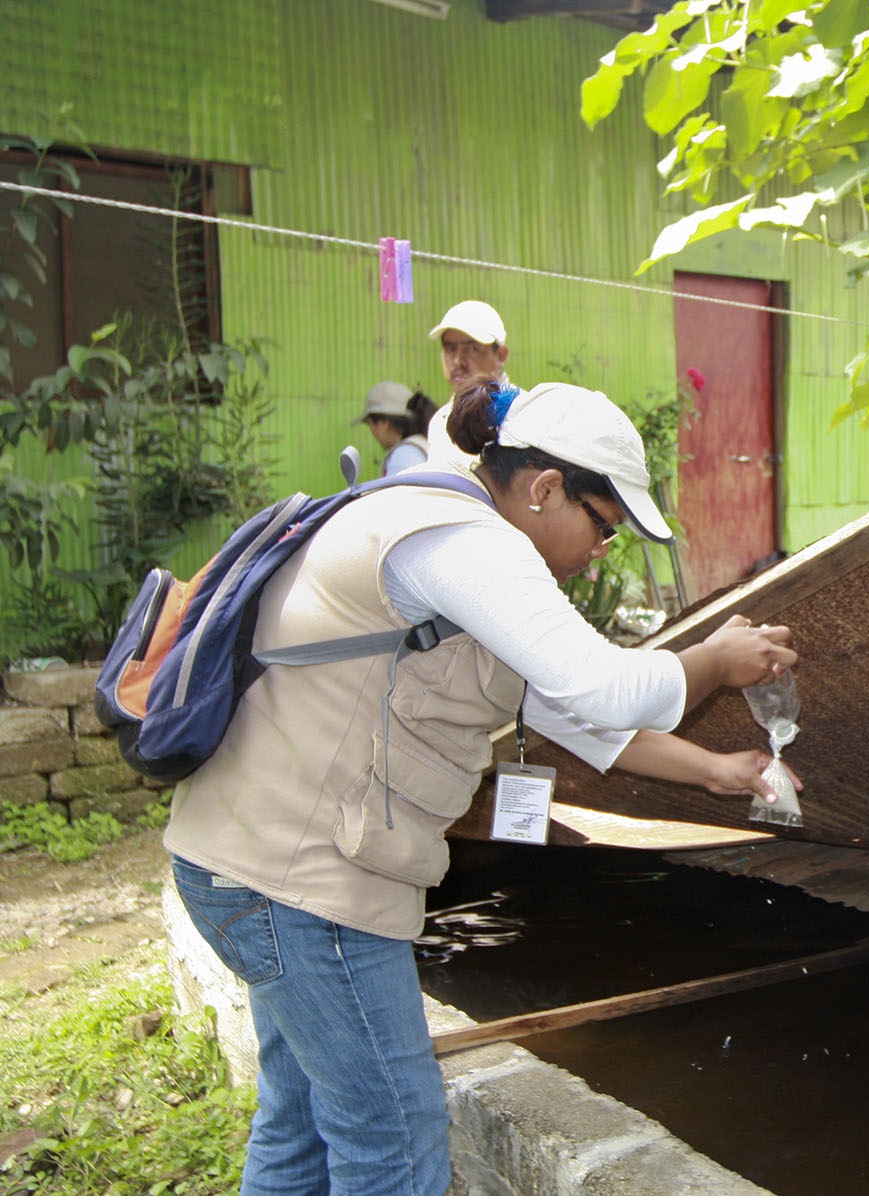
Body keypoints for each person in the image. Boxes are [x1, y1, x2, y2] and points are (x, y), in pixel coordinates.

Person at [164, 377, 799, 1195]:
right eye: (603, 525)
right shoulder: (458, 539)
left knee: (302, 1120)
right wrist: (713, 659)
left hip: (251, 864)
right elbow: (602, 684)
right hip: (302, 888)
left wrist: (717, 770)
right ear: (544, 489)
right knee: (393, 1136)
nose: (605, 549)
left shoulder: (463, 544)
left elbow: (581, 716)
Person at [425, 299, 512, 470]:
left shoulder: (520, 413)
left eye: (472, 349)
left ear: (501, 356)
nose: (458, 361)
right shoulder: (440, 421)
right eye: (450, 349)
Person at [352, 379, 438, 476]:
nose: (372, 432)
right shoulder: (426, 445)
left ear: (384, 422)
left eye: (370, 424)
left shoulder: (403, 456)